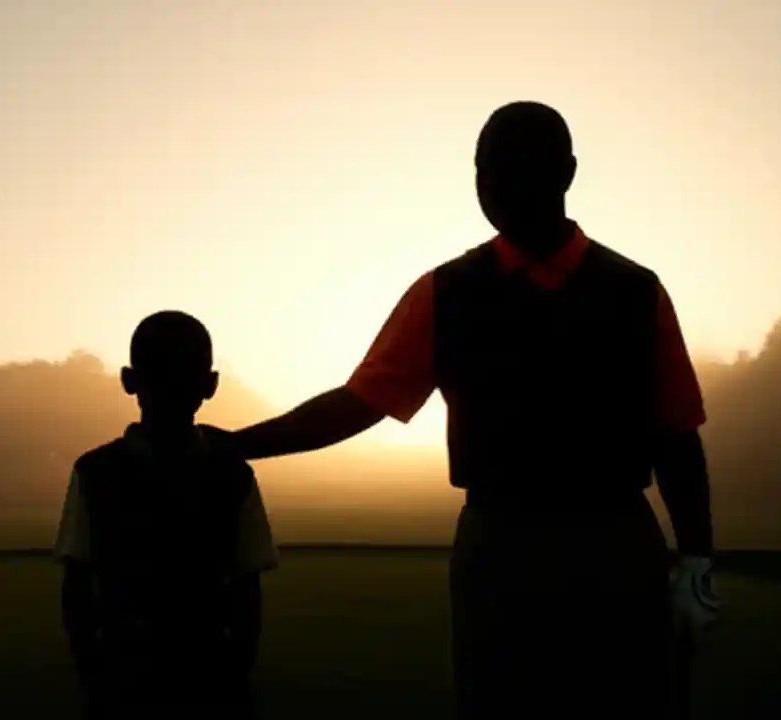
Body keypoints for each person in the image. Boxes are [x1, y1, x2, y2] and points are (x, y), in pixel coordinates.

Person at [220, 101, 721, 718]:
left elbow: (676, 437)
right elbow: (359, 404)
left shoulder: (636, 292)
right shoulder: (446, 291)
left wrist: (696, 559)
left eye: (517, 167)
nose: (497, 186)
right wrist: (235, 445)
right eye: (486, 170)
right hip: (503, 546)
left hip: (611, 547)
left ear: (566, 172)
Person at [54, 310, 279, 718]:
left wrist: (93, 678)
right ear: (210, 385)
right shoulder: (233, 473)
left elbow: (77, 590)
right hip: (209, 674)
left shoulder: (94, 472)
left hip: (125, 674)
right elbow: (249, 592)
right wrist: (237, 676)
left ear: (129, 379)